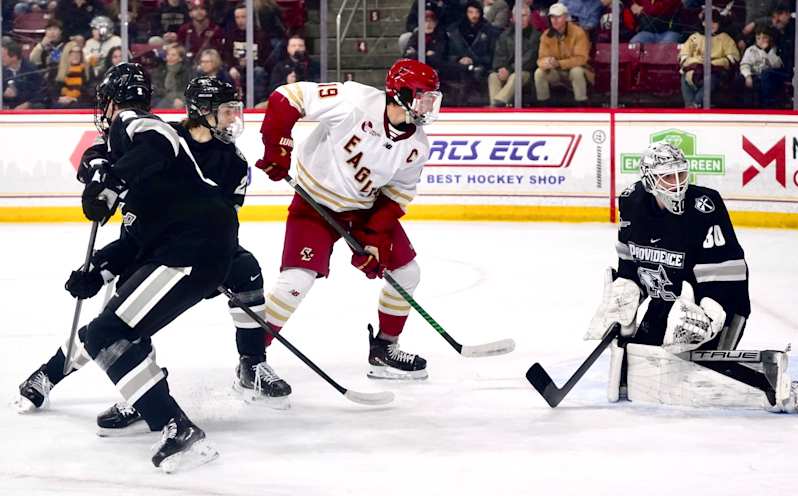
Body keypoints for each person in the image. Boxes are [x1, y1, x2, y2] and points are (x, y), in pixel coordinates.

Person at [19, 63, 237, 471]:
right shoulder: (144, 171)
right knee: (115, 330)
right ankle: (151, 407)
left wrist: (113, 178)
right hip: (190, 248)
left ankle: (175, 426)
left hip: (191, 248)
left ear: (111, 103)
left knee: (105, 331)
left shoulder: (135, 123)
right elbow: (134, 240)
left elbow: (156, 141)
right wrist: (98, 269)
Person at [584, 142, 798, 413]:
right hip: (667, 304)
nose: (677, 184)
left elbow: (728, 271)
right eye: (668, 177)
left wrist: (711, 312)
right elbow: (630, 261)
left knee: (689, 367)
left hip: (715, 305)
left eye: (681, 175)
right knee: (638, 367)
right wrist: (626, 298)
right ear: (650, 179)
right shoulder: (631, 202)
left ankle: (778, 384)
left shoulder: (705, 207)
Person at [254, 59, 442, 380]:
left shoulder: (417, 146)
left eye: (432, 98)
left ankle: (385, 349)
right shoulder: (353, 101)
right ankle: (252, 358)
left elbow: (396, 196)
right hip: (314, 204)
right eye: (422, 96)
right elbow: (288, 96)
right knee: (296, 282)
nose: (428, 105)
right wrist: (278, 146)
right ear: (400, 93)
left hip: (363, 209)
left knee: (408, 272)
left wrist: (374, 239)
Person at [678, 8, 740, 108]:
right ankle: (689, 106)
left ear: (719, 23)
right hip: (695, 70)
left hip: (715, 72)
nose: (711, 25)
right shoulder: (694, 37)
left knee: (711, 78)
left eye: (714, 22)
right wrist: (696, 62)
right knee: (684, 76)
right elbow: (683, 56)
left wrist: (712, 64)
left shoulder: (725, 38)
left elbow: (733, 57)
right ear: (703, 23)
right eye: (708, 22)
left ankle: (695, 105)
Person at [534, 2, 594, 105]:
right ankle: (544, 105)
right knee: (539, 72)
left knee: (576, 71)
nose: (555, 20)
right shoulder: (546, 35)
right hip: (556, 72)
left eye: (558, 17)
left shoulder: (578, 32)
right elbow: (540, 59)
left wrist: (559, 63)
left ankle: (582, 104)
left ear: (566, 17)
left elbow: (581, 59)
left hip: (579, 71)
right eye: (552, 17)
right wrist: (546, 62)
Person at [445, 0, 501, 105]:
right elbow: (448, 54)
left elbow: (492, 56)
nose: (474, 15)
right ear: (465, 13)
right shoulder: (454, 30)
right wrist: (459, 59)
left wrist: (473, 60)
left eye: (477, 12)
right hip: (457, 65)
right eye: (471, 12)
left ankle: (463, 106)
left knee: (471, 72)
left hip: (481, 66)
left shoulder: (489, 31)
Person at [488, 4, 540, 107]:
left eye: (524, 15)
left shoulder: (536, 36)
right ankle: (497, 108)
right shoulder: (504, 35)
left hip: (526, 73)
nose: (521, 19)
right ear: (513, 18)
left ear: (529, 17)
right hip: (508, 70)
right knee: (493, 76)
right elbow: (498, 56)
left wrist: (509, 69)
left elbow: (528, 60)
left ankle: (497, 104)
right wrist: (501, 68)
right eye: (518, 16)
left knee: (516, 76)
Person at [739, 26, 781, 107]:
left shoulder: (774, 50)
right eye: (758, 38)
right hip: (754, 76)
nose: (761, 41)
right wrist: (748, 76)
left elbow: (776, 65)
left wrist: (764, 51)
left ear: (770, 38)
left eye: (764, 38)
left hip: (769, 78)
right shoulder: (750, 50)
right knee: (741, 80)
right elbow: (744, 64)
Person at [2, 38, 45, 109]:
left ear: (14, 57)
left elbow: (40, 92)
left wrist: (28, 104)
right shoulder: (2, 70)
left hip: (26, 108)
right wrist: (2, 92)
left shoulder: (31, 70)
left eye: (3, 56)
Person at [53, 41, 92, 107]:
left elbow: (90, 92)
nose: (75, 56)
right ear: (67, 54)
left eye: (78, 53)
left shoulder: (87, 70)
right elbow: (52, 91)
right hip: (61, 102)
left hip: (80, 103)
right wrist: (60, 98)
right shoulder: (55, 71)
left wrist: (74, 99)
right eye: (72, 53)